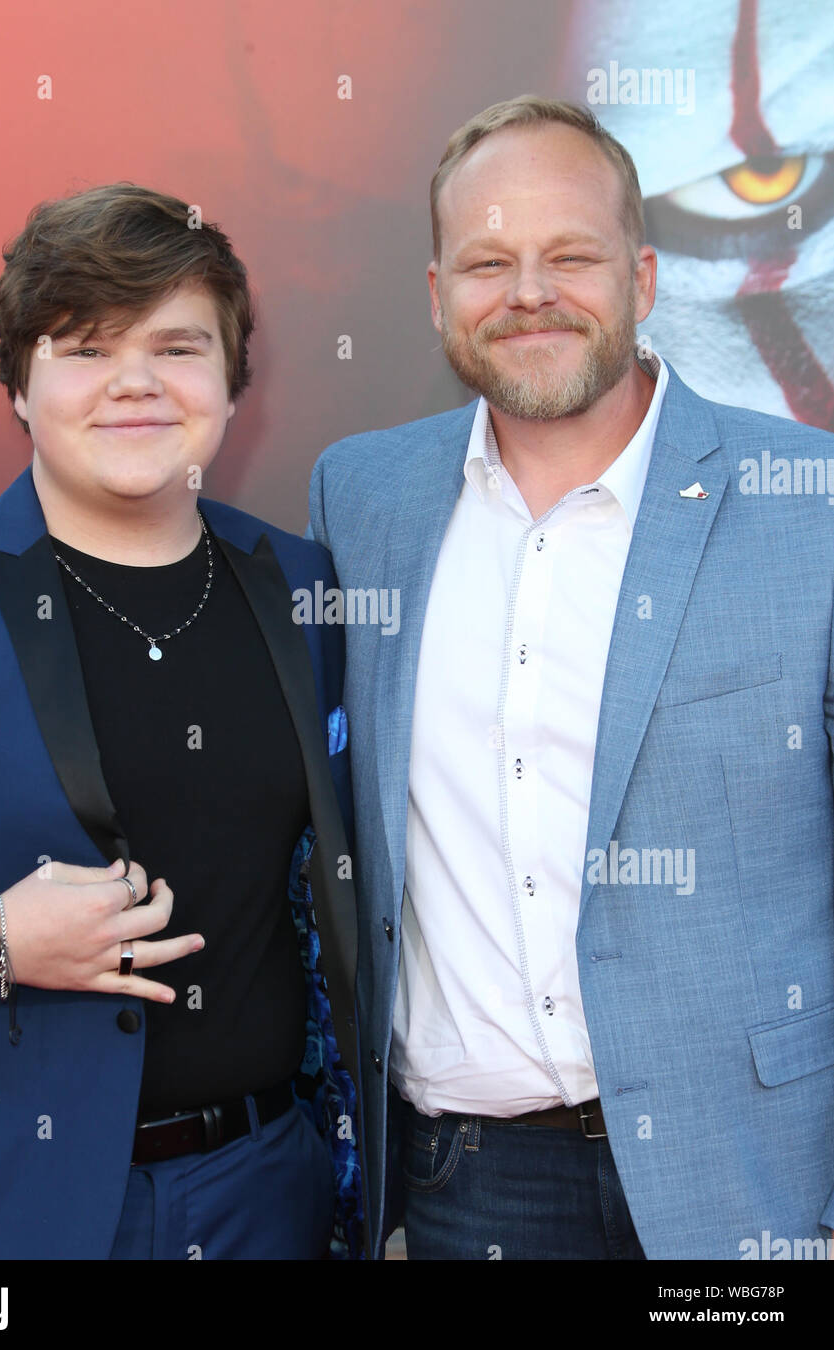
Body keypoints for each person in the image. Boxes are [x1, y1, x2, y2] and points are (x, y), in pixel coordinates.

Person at [307, 95, 834, 1260]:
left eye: (569, 256)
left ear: (642, 278)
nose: (528, 291)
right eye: (487, 260)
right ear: (436, 294)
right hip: (472, 1182)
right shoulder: (361, 500)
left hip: (754, 1173)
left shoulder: (812, 502)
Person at [0, 184, 364, 1261]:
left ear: (233, 381)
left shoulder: (304, 586)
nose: (135, 381)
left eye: (177, 346)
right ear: (19, 388)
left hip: (261, 1197)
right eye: (85, 348)